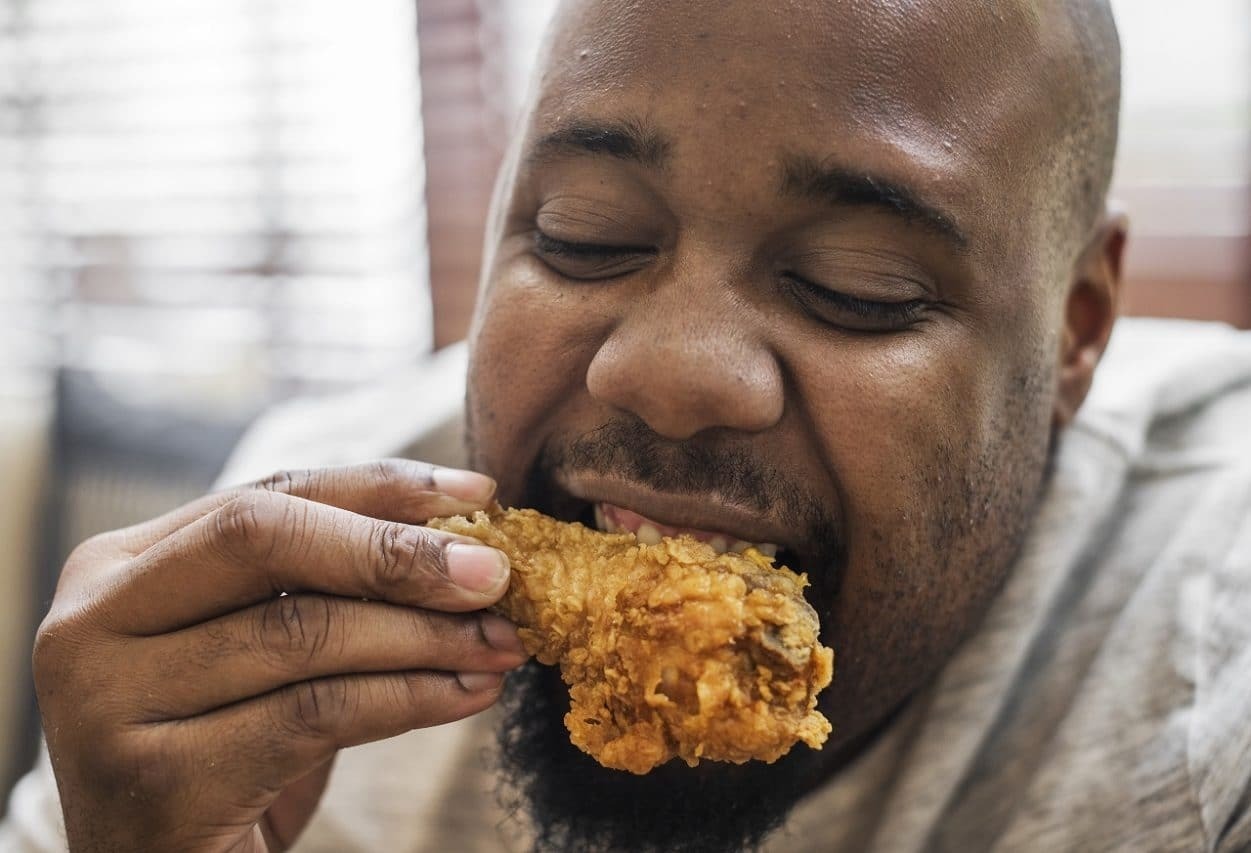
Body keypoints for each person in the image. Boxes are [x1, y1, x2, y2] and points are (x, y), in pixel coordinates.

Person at [4, 0, 1251, 850]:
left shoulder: (1217, 633)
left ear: (1076, 327)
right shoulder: (291, 571)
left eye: (857, 286)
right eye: (583, 235)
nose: (668, 374)